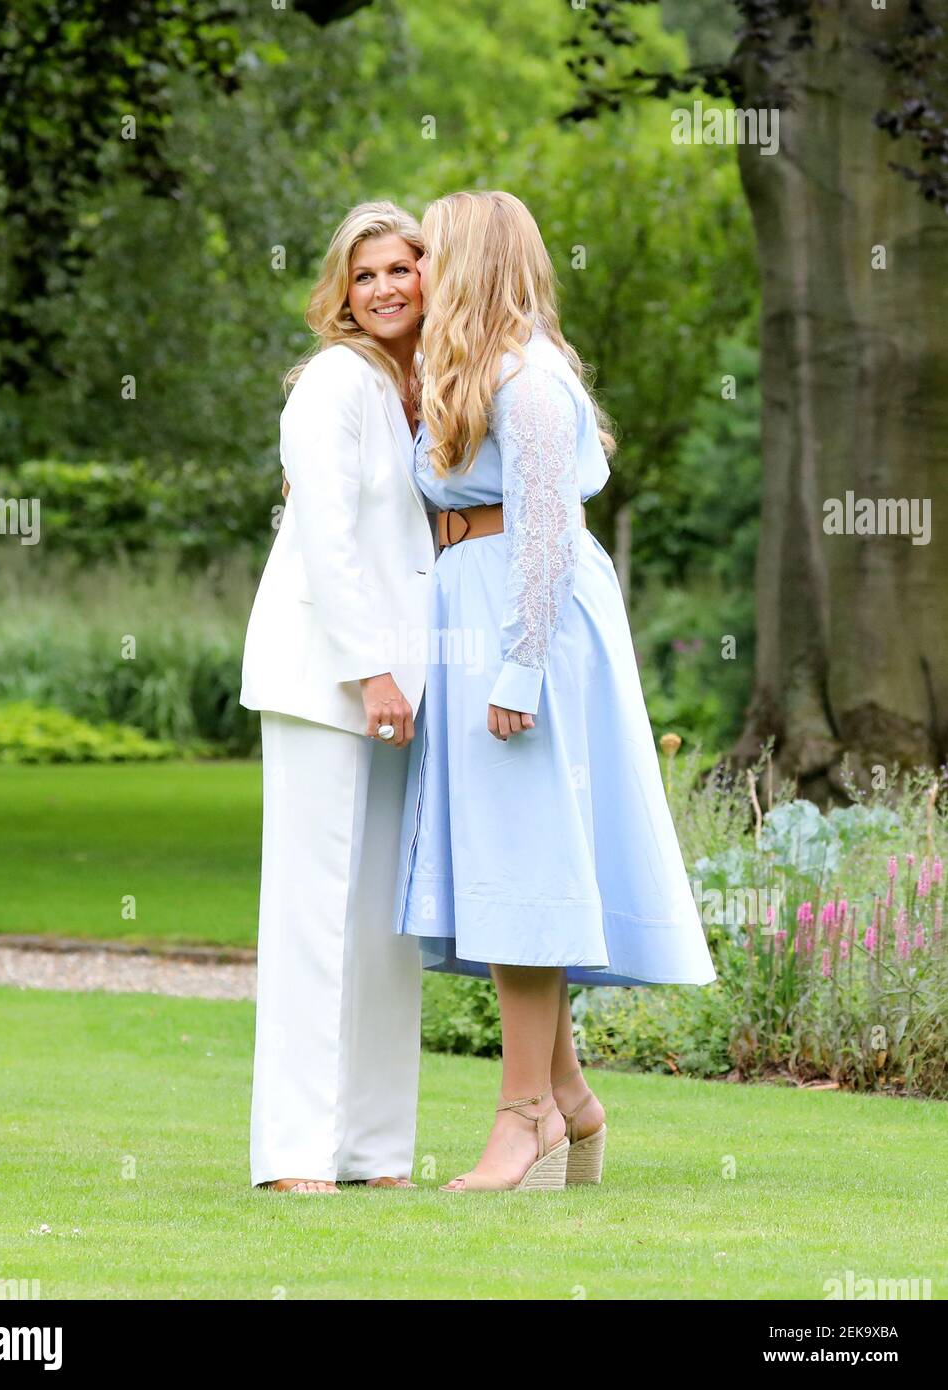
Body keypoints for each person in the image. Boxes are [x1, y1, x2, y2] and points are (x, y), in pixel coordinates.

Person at [393, 190, 717, 1193]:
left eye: (429, 255)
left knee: (523, 863)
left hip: (518, 623)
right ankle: (565, 1096)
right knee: (505, 865)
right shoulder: (475, 375)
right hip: (470, 613)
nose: (416, 273)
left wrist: (519, 665)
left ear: (474, 261)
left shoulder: (531, 383)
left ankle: (523, 1113)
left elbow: (543, 530)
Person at [240, 201, 436, 1194]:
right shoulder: (332, 382)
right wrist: (370, 669)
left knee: (382, 924)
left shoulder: (424, 391)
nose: (388, 286)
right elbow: (327, 532)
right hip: (327, 676)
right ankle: (293, 1154)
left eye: (404, 266)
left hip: (400, 686)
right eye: (367, 274)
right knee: (313, 912)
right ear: (342, 292)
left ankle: (371, 1152)